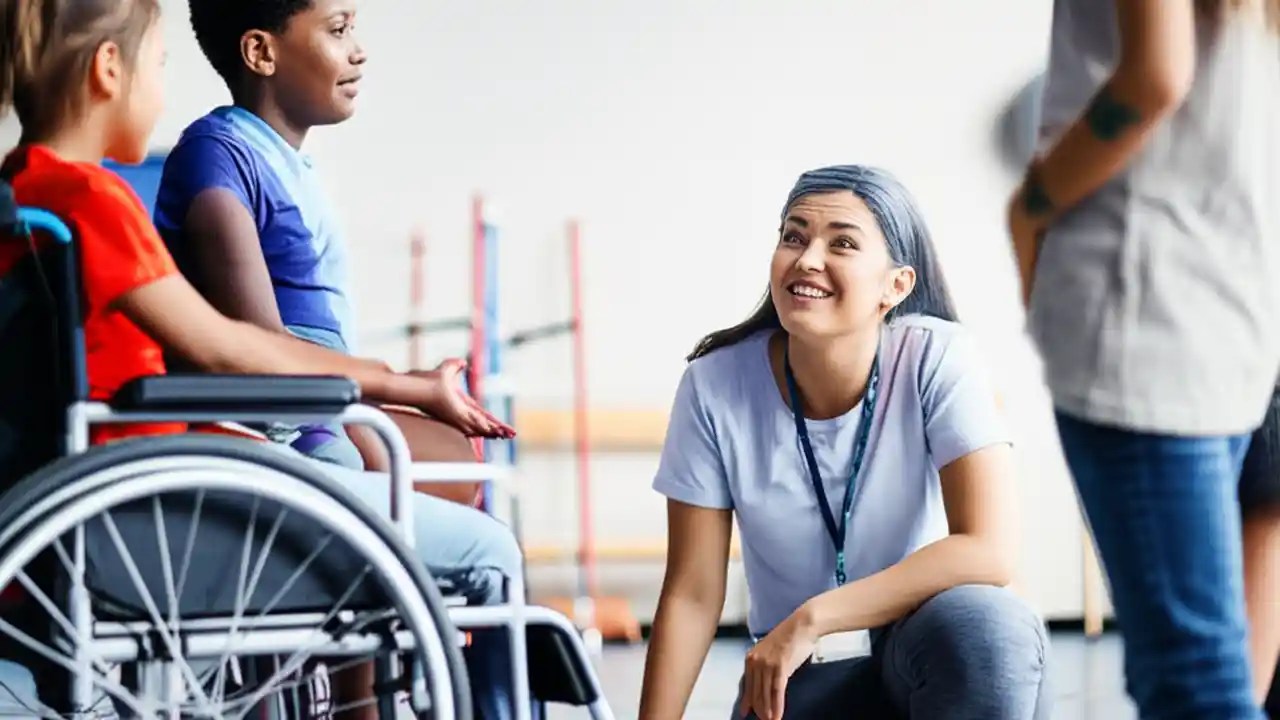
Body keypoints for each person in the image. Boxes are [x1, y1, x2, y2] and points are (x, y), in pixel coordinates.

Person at [0, 1, 522, 718]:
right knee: (490, 554)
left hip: (108, 504)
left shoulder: (22, 193)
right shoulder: (94, 202)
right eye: (158, 65)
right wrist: (402, 384)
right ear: (108, 70)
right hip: (163, 520)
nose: (162, 89)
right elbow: (232, 348)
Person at [638, 165, 1050, 720]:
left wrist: (814, 617)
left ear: (896, 286)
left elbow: (989, 549)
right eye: (794, 236)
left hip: (925, 652)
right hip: (797, 674)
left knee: (985, 625)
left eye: (843, 243)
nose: (808, 259)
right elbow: (692, 592)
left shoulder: (939, 358)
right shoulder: (714, 384)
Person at [1010, 0, 1280, 716]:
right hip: (1229, 321)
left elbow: (1155, 75)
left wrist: (1032, 202)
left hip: (1143, 319)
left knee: (1194, 685)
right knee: (1212, 676)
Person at [152, 0, 483, 507]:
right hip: (291, 425)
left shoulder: (283, 161)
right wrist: (389, 407)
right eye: (337, 30)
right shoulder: (217, 158)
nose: (358, 51)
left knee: (458, 460)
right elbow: (262, 351)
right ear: (261, 52)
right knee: (471, 512)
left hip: (319, 399)